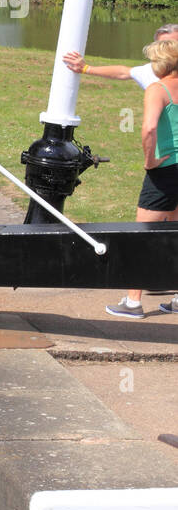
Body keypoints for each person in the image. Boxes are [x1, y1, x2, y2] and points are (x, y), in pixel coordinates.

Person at [106, 38, 178, 317]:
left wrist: (150, 161)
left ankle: (133, 301)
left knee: (140, 236)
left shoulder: (157, 89)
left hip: (165, 171)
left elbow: (148, 128)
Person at [62, 23, 178, 87]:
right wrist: (86, 68)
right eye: (162, 45)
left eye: (172, 45)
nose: (166, 50)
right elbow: (122, 72)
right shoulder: (149, 71)